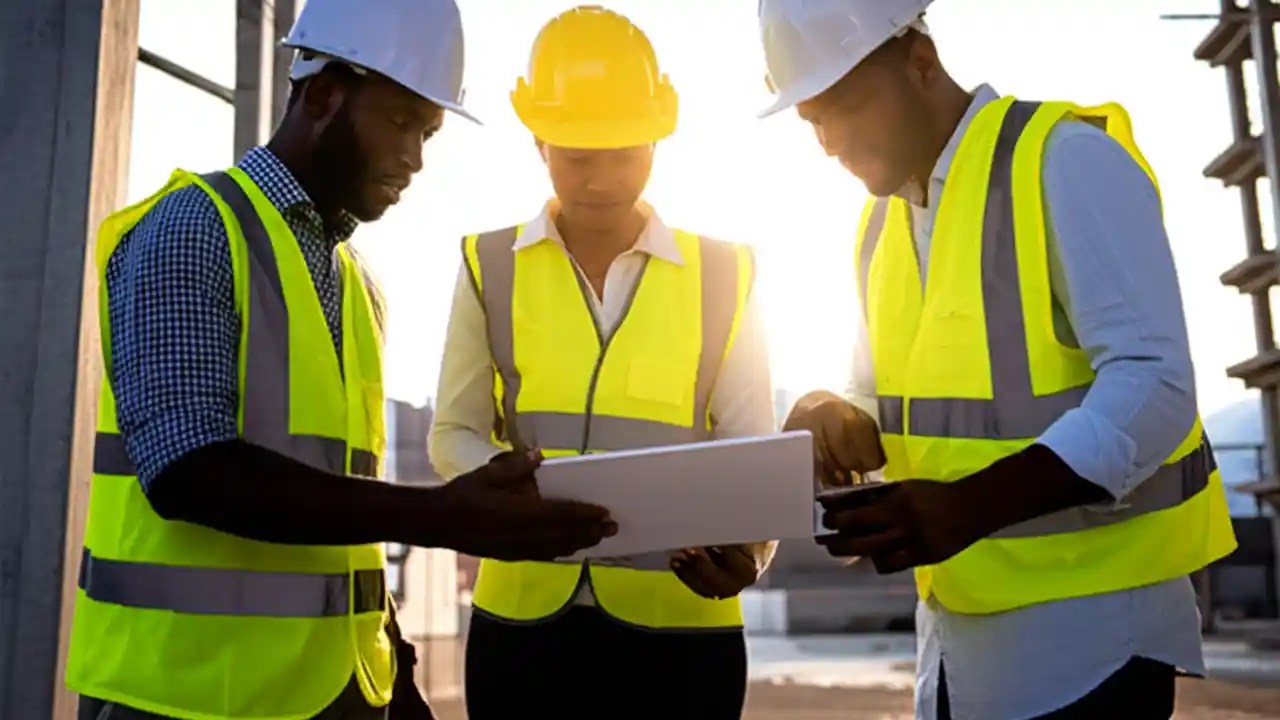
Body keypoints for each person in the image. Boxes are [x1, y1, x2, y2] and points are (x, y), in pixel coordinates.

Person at [64, 1, 617, 719]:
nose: (415, 159)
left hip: (333, 691)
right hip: (186, 695)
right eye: (399, 123)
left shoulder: (356, 283)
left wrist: (393, 667)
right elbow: (188, 469)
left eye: (428, 133)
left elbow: (340, 498)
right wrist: (445, 517)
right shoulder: (193, 228)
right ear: (323, 95)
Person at [757, 1, 1239, 718]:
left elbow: (1154, 383)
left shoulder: (1063, 159)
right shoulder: (881, 222)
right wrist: (841, 414)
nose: (832, 141)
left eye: (850, 105)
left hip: (1092, 643)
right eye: (814, 120)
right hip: (958, 639)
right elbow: (880, 389)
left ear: (921, 62)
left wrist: (975, 506)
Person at [428, 5, 778, 718]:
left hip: (683, 626)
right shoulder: (487, 264)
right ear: (539, 142)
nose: (601, 179)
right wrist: (522, 500)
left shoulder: (725, 272)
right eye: (578, 156)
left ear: (657, 140)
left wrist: (750, 554)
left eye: (625, 152)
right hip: (522, 622)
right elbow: (452, 433)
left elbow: (752, 451)